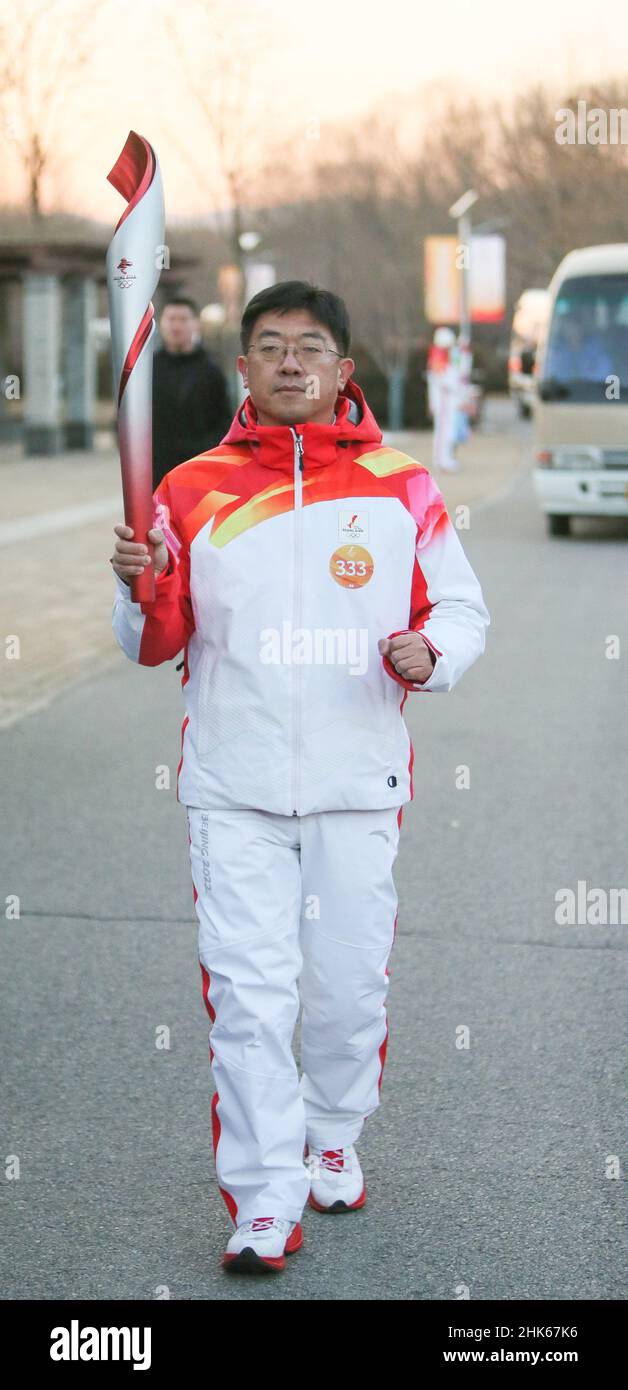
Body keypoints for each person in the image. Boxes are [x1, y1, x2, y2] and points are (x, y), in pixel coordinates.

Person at [109, 280, 490, 1275]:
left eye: (309, 345)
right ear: (244, 367)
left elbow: (462, 610)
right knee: (248, 995)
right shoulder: (190, 489)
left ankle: (332, 1129)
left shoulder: (402, 484)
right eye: (270, 345)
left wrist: (431, 653)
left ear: (342, 369)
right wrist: (140, 583)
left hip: (357, 787)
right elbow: (153, 643)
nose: (289, 361)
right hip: (230, 790)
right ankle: (264, 1198)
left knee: (345, 991)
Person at [151, 295, 232, 490]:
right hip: (154, 470)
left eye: (183, 320)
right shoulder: (146, 368)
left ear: (195, 325)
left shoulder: (211, 370)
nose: (176, 326)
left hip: (199, 470)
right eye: (171, 319)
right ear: (161, 324)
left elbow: (225, 422)